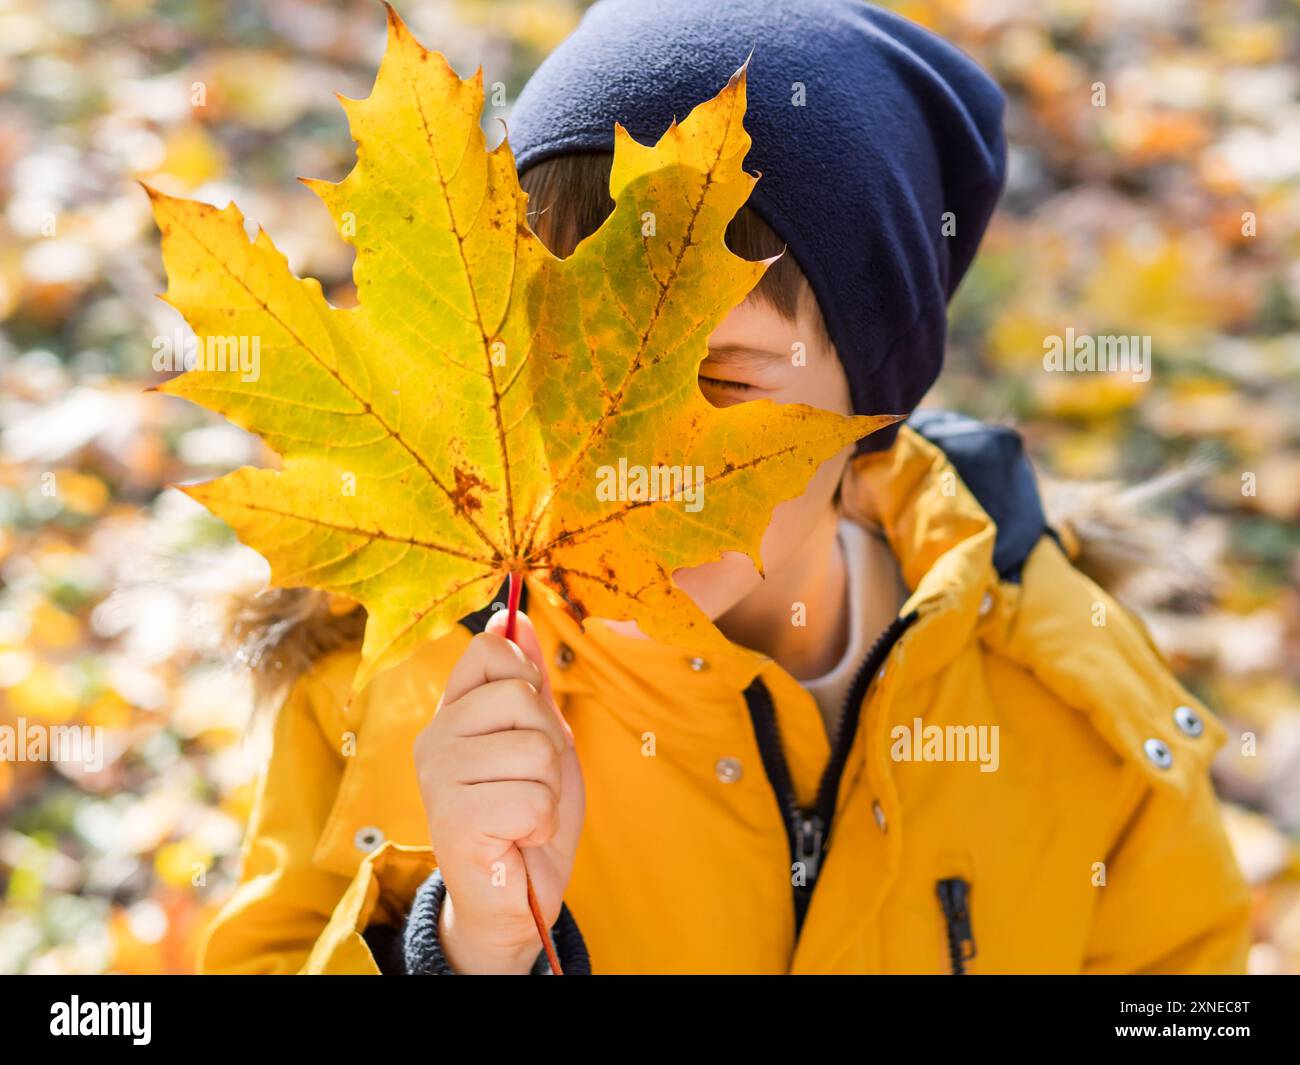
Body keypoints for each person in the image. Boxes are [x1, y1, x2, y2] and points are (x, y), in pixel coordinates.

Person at [198, 0, 1250, 974]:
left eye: (720, 380)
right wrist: (472, 943)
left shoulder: (1069, 701)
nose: (621, 452)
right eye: (556, 370)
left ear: (868, 404)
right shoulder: (386, 686)